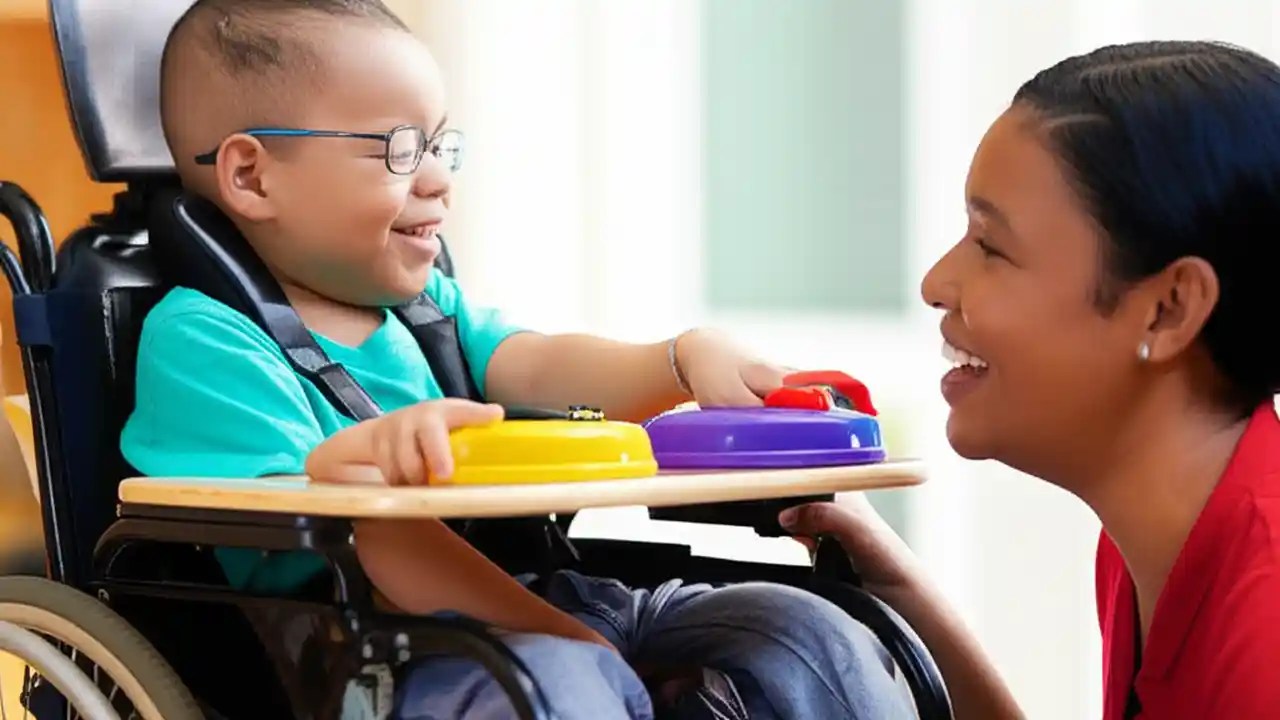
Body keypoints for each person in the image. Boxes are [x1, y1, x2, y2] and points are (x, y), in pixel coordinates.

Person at [122, 1, 909, 718]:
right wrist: (567, 640)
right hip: (368, 650)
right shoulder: (205, 341)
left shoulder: (429, 310)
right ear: (252, 174)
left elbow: (541, 365)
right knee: (563, 687)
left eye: (439, 145)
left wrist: (677, 359)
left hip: (546, 593)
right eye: (399, 149)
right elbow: (356, 533)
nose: (439, 180)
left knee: (802, 634)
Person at [781, 40, 1280, 720]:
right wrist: (897, 592)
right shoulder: (1151, 549)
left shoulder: (1265, 634)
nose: (936, 284)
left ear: (1169, 309)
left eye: (991, 246)